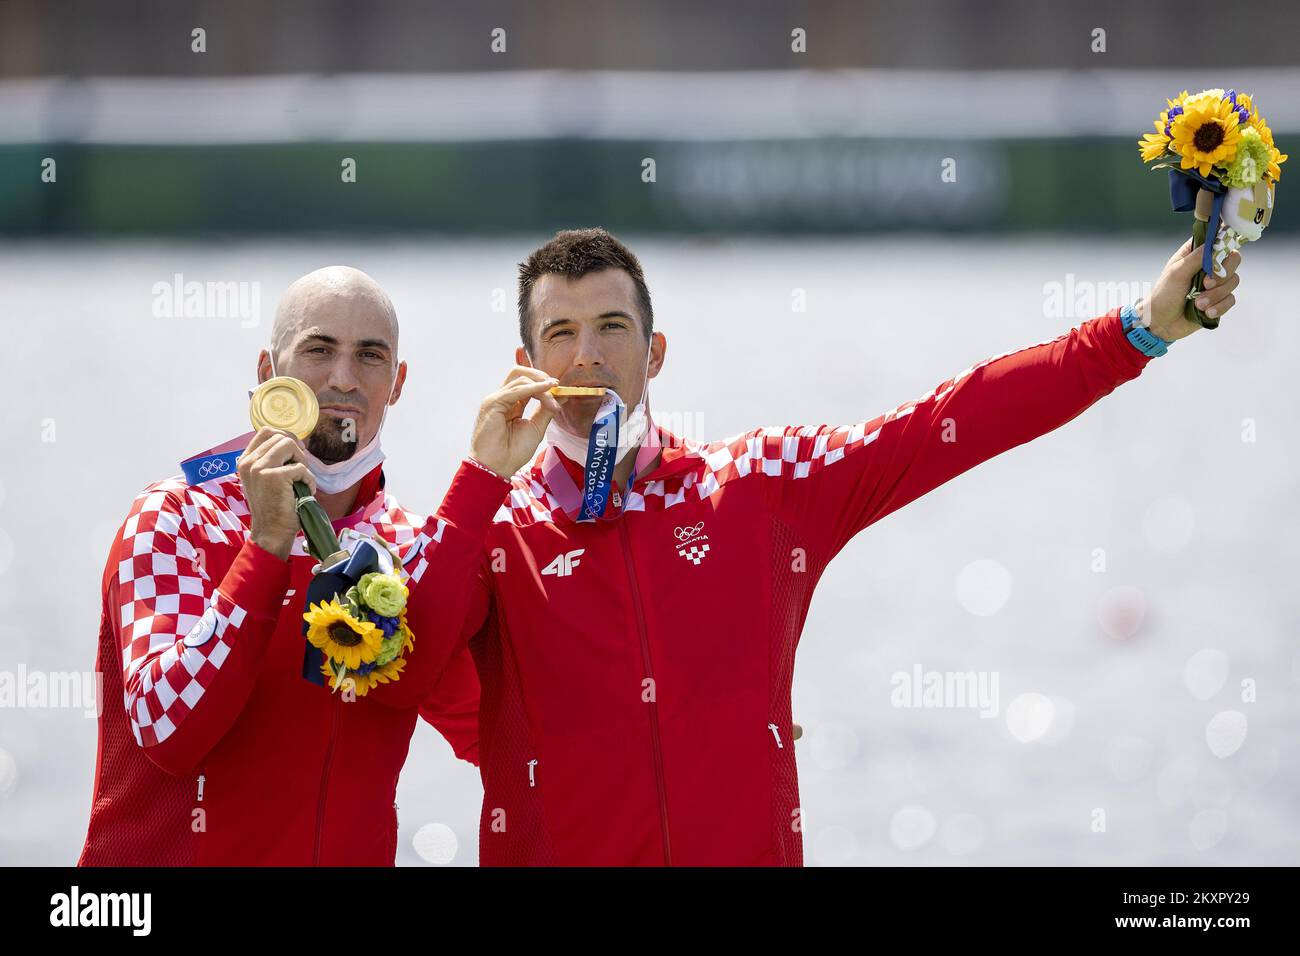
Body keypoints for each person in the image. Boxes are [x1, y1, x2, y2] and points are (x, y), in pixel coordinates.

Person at [439, 227, 1243, 866]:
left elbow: (944, 426)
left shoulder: (758, 483)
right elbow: (402, 662)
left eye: (613, 327)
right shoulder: (485, 533)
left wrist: (1136, 332)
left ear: (654, 353)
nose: (587, 355)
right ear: (526, 367)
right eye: (562, 333)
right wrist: (479, 481)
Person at [79, 265, 545, 865]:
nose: (342, 378)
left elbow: (510, 745)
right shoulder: (174, 518)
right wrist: (268, 545)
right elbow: (169, 731)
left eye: (370, 356)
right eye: (319, 349)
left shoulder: (403, 548)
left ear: (397, 382)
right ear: (268, 373)